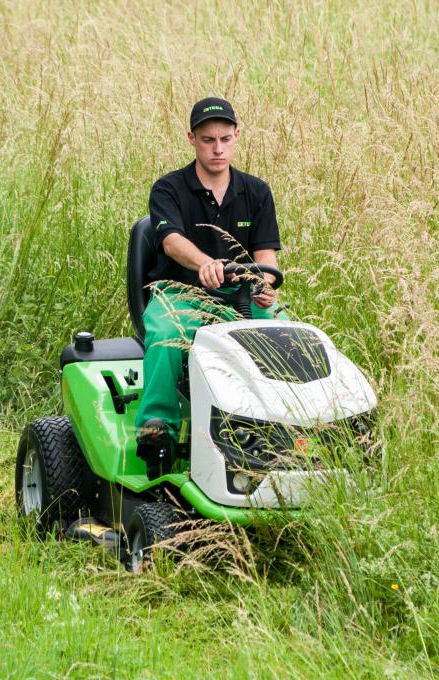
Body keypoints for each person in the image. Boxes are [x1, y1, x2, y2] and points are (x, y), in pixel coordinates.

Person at [134, 97, 284, 478]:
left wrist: (264, 284)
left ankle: (289, 429)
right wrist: (206, 264)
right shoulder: (168, 189)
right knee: (167, 336)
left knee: (288, 335)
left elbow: (266, 256)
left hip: (240, 297)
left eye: (224, 139)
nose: (217, 149)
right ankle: (157, 431)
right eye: (208, 140)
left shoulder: (256, 192)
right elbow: (171, 242)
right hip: (180, 294)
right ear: (191, 139)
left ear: (237, 136)